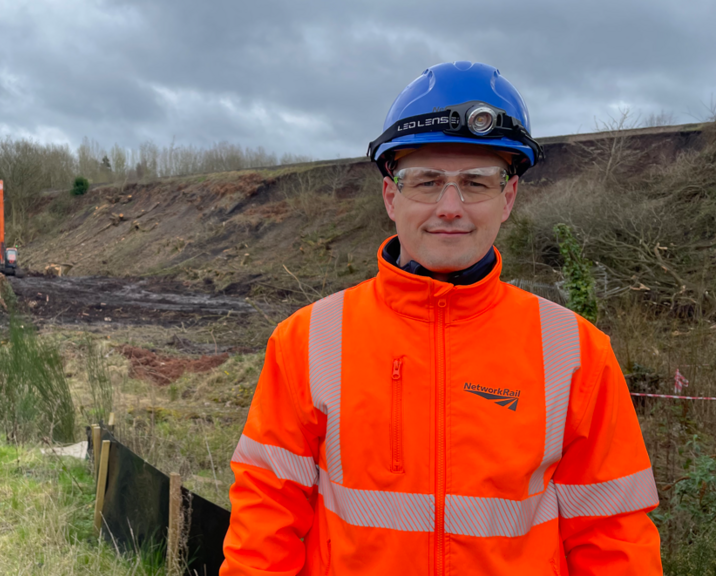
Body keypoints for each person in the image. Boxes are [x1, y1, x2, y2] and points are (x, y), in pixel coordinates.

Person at [220, 61, 661, 575]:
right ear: (392, 197)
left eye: (476, 182)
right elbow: (265, 520)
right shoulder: (308, 340)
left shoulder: (576, 352)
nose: (450, 206)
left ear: (507, 198)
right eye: (427, 182)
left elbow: (613, 536)